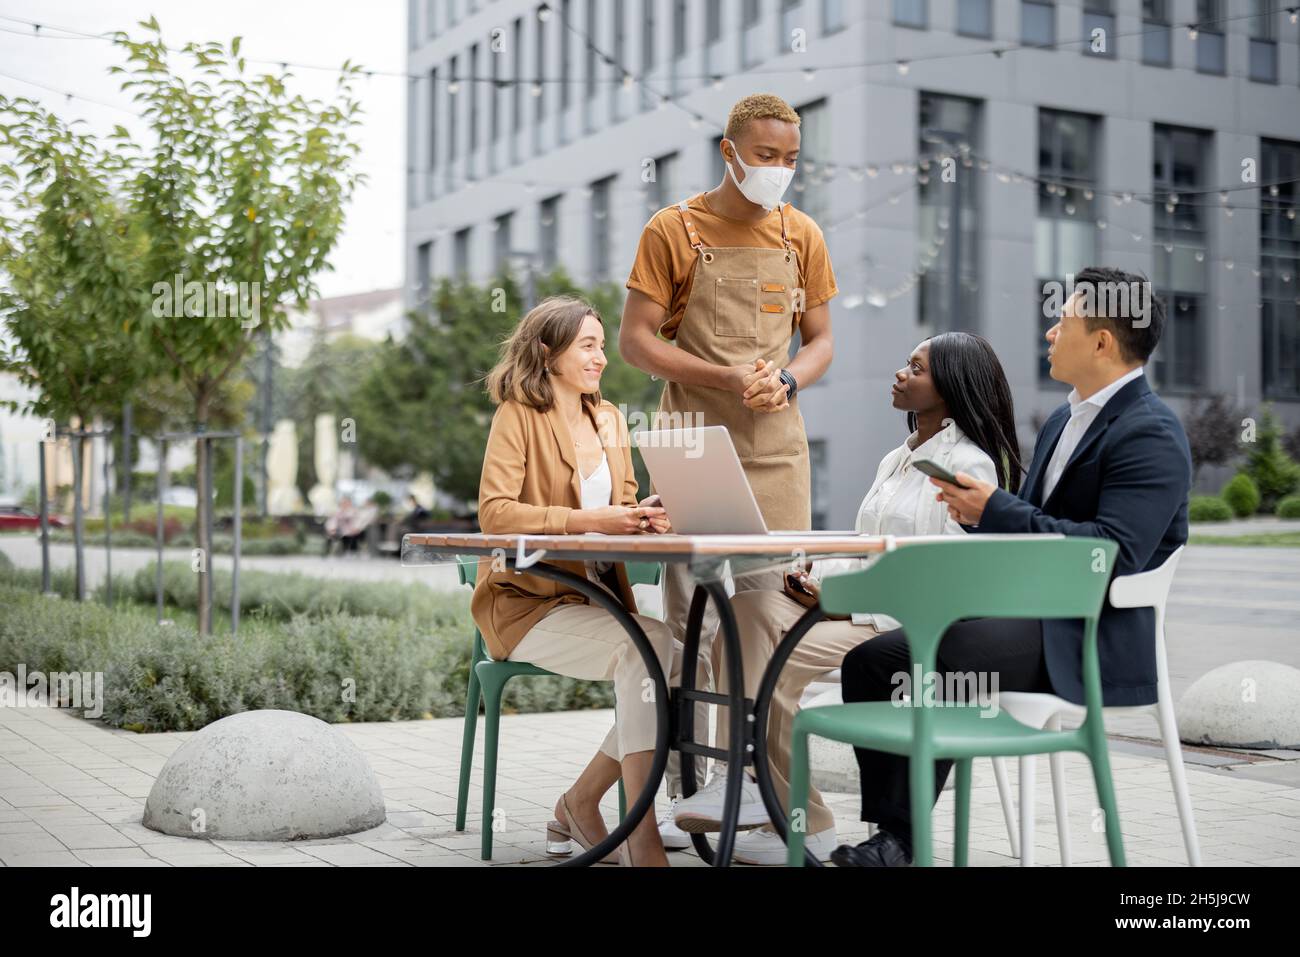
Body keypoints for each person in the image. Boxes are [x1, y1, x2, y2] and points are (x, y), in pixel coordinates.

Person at [834, 266, 1191, 867]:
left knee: (939, 655)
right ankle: (898, 838)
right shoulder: (1063, 420)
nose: (1050, 333)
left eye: (1065, 321)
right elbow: (1039, 523)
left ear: (1102, 341)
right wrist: (978, 513)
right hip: (1031, 620)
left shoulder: (1151, 432)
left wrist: (995, 509)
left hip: (1088, 637)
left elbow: (1109, 555)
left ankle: (898, 847)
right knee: (872, 662)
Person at [670, 332, 1024, 864]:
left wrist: (842, 599)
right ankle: (753, 784)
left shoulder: (969, 466)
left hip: (899, 622)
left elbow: (946, 576)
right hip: (858, 603)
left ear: (949, 388)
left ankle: (791, 811)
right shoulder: (896, 459)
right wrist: (816, 573)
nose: (900, 373)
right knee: (746, 612)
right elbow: (866, 546)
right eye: (905, 363)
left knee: (775, 664)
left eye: (917, 368)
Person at [621, 93, 838, 839]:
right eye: (766, 155)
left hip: (777, 449)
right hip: (691, 440)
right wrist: (721, 376)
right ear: (730, 150)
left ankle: (759, 780)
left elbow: (820, 341)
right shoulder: (672, 230)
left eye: (790, 159)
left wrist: (788, 378)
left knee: (770, 614)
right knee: (694, 624)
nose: (779, 170)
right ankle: (693, 782)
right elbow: (637, 342)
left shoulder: (801, 234)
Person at [474, 295, 682, 867]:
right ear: (549, 351)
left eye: (599, 346)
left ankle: (581, 802)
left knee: (687, 659)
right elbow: (495, 513)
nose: (601, 358)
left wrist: (645, 516)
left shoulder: (611, 418)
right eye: (587, 346)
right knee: (652, 646)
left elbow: (624, 504)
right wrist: (594, 519)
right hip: (528, 606)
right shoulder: (517, 415)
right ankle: (640, 836)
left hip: (598, 601)